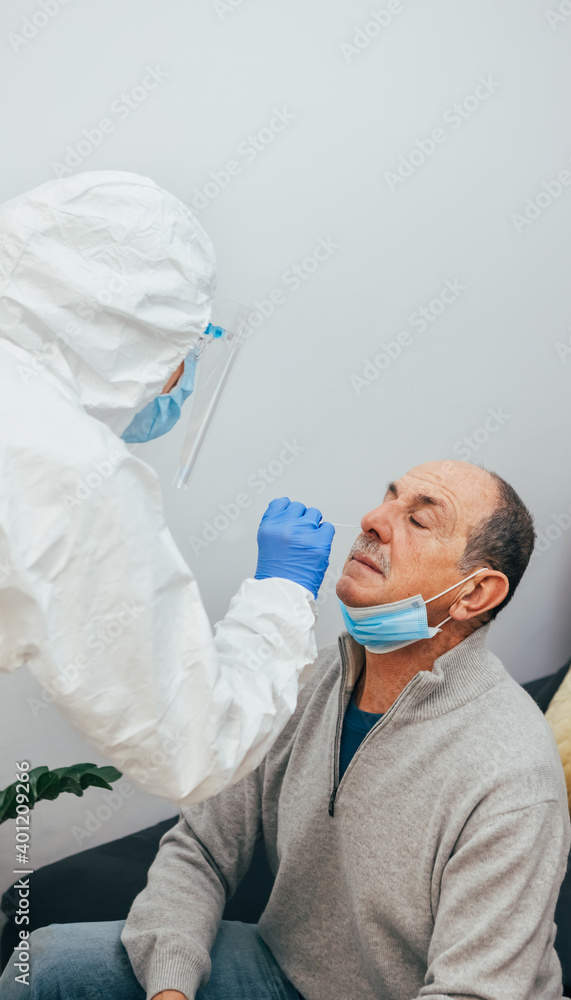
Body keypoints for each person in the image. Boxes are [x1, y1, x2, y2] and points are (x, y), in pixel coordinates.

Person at [9, 460, 571, 1000]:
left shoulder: (511, 772)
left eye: (419, 519)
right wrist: (171, 982)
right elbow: (202, 848)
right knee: (48, 968)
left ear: (475, 593)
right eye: (388, 498)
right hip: (284, 972)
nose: (375, 521)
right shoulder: (313, 681)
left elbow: (470, 994)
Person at [0, 170, 334, 806]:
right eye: (190, 347)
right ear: (139, 337)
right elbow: (195, 746)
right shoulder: (67, 466)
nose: (181, 376)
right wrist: (283, 595)